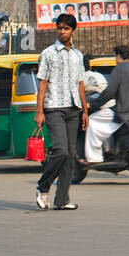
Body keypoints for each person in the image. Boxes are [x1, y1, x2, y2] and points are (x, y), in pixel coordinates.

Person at [34, 14, 88, 211]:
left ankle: (62, 200)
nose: (62, 32)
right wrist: (39, 111)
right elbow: (42, 83)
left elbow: (80, 83)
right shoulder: (47, 54)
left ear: (73, 30)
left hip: (73, 108)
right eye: (60, 28)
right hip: (54, 107)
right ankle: (43, 186)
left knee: (70, 155)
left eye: (66, 28)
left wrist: (85, 110)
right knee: (60, 150)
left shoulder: (77, 55)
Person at [92, 44, 129, 143]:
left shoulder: (118, 69)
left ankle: (94, 157)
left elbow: (109, 93)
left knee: (92, 121)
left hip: (125, 113)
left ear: (118, 56)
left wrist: (93, 104)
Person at [81, 65, 119, 164]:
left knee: (93, 123)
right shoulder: (98, 75)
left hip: (101, 103)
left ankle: (103, 151)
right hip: (112, 102)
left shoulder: (82, 77)